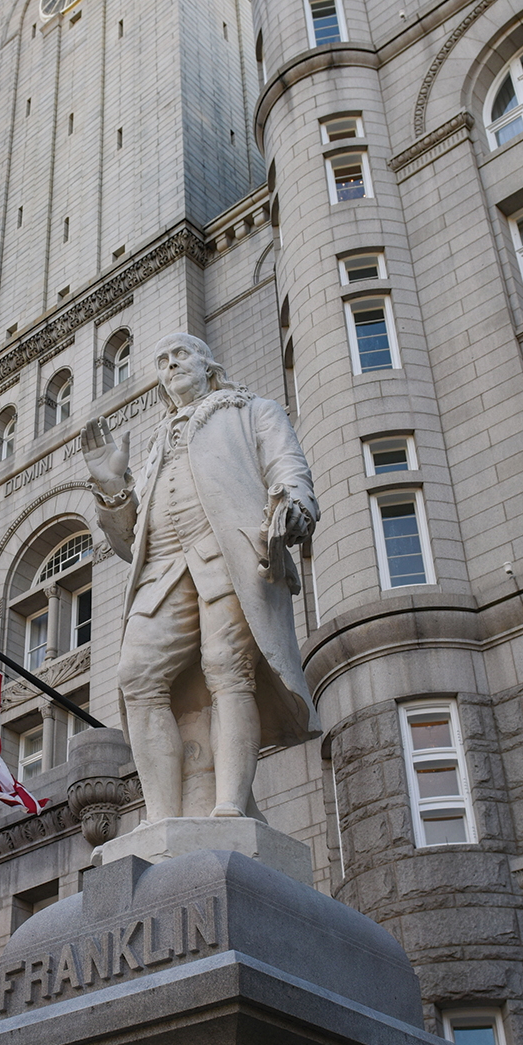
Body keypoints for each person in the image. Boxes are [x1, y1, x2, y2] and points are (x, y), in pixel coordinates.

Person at [82, 333, 320, 822]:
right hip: (163, 570)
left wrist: (294, 510)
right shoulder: (156, 444)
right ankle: (162, 819)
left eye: (181, 355)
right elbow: (129, 543)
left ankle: (229, 805)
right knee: (136, 676)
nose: (171, 365)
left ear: (209, 366)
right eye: (162, 360)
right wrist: (112, 487)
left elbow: (291, 474)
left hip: (229, 557)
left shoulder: (252, 411)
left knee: (227, 667)